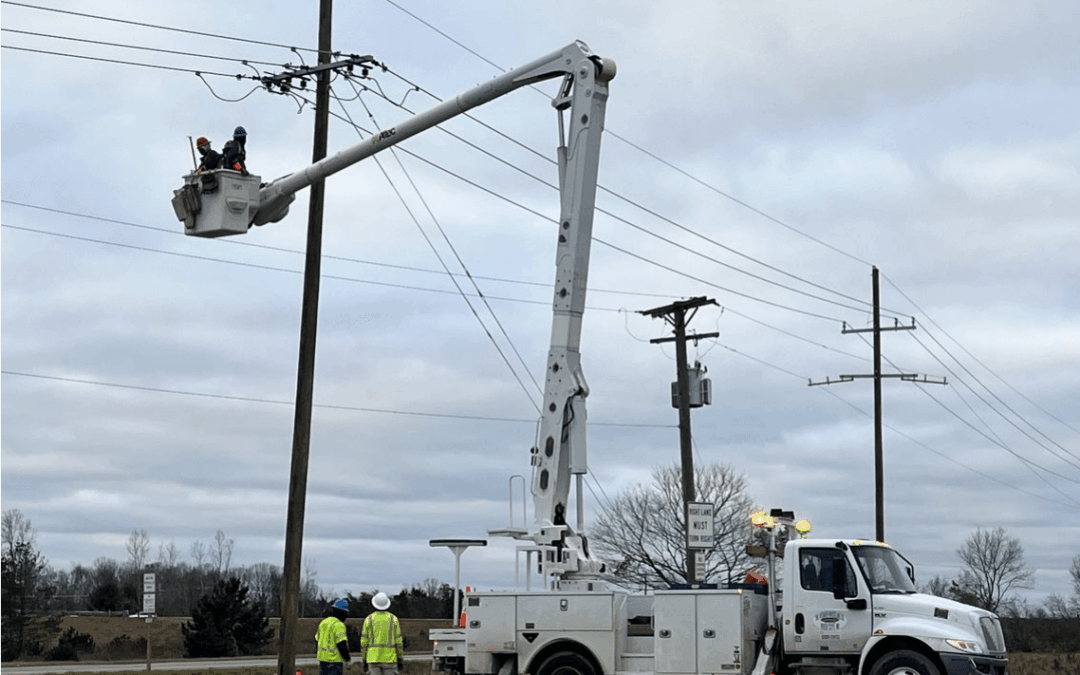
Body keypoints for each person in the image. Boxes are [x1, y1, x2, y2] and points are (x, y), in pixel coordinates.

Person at [361, 592, 404, 675]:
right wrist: (400, 658)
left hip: (372, 658)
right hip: (390, 659)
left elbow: (363, 642)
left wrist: (364, 658)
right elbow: (399, 642)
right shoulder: (393, 619)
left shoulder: (368, 619)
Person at [316, 598, 353, 675]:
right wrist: (347, 659)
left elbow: (317, 639)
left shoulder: (323, 622)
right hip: (334, 662)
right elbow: (341, 644)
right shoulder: (339, 625)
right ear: (343, 613)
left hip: (322, 660)